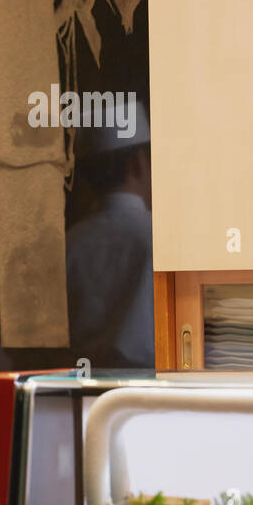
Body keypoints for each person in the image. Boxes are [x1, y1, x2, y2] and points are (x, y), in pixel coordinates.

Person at [65, 100, 154, 367]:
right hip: (153, 400)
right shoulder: (168, 241)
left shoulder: (63, 247)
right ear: (138, 163)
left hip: (73, 398)